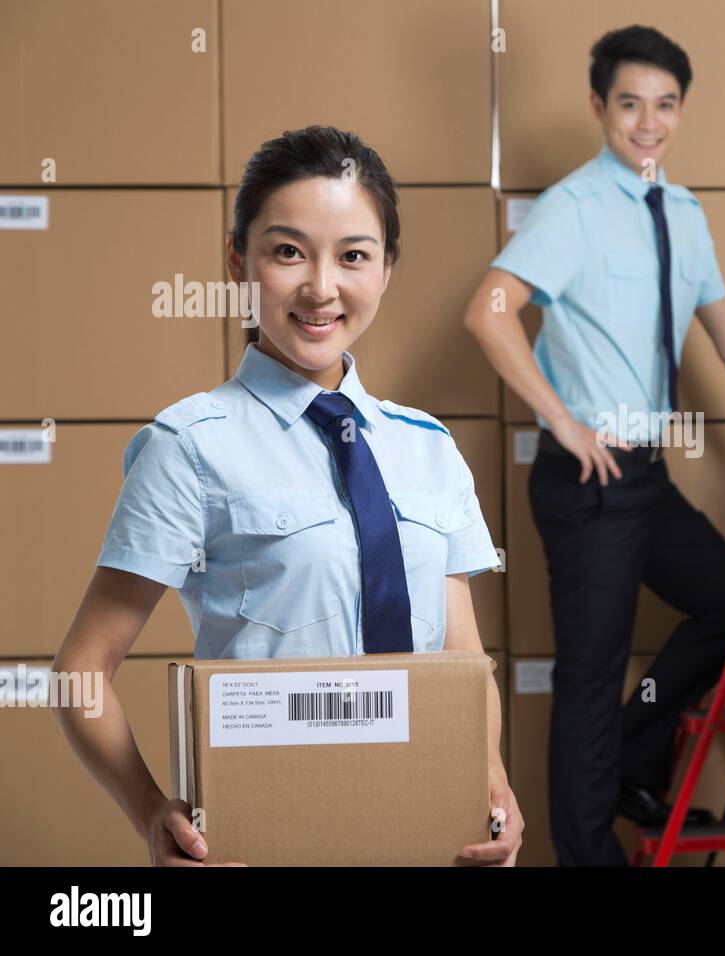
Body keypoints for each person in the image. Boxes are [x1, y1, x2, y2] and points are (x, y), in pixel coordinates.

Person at [51, 126, 523, 866]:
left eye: (354, 256)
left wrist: (492, 783)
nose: (321, 287)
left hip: (431, 839)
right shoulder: (191, 446)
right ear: (239, 262)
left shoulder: (427, 447)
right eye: (288, 251)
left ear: (387, 269)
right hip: (265, 841)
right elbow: (81, 671)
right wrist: (152, 816)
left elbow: (463, 658)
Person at [464, 25, 725, 865]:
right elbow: (488, 310)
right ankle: (591, 852)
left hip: (646, 479)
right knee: (588, 682)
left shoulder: (684, 216)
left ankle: (623, 763)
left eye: (664, 106)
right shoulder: (573, 208)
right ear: (600, 107)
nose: (647, 123)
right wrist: (561, 419)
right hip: (588, 479)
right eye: (630, 104)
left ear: (680, 112)